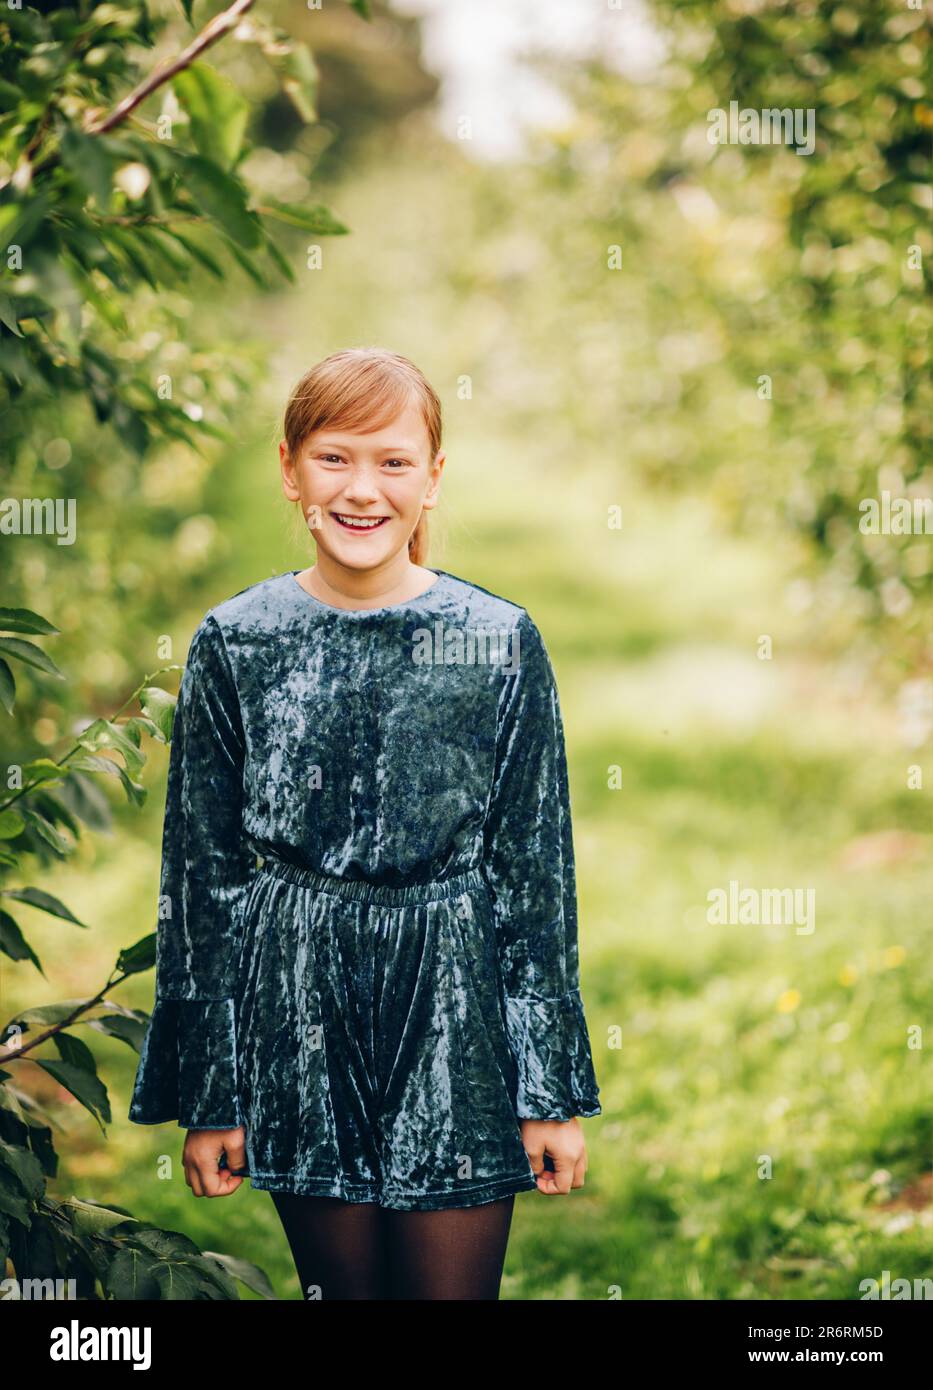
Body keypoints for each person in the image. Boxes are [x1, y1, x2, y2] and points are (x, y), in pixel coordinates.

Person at [128, 346, 602, 1300]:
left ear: (432, 478)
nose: (362, 489)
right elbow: (201, 878)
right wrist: (212, 1090)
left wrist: (546, 1090)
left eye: (392, 462)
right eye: (335, 458)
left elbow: (533, 875)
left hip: (455, 1009)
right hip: (297, 1007)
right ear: (290, 468)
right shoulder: (237, 640)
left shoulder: (497, 641)